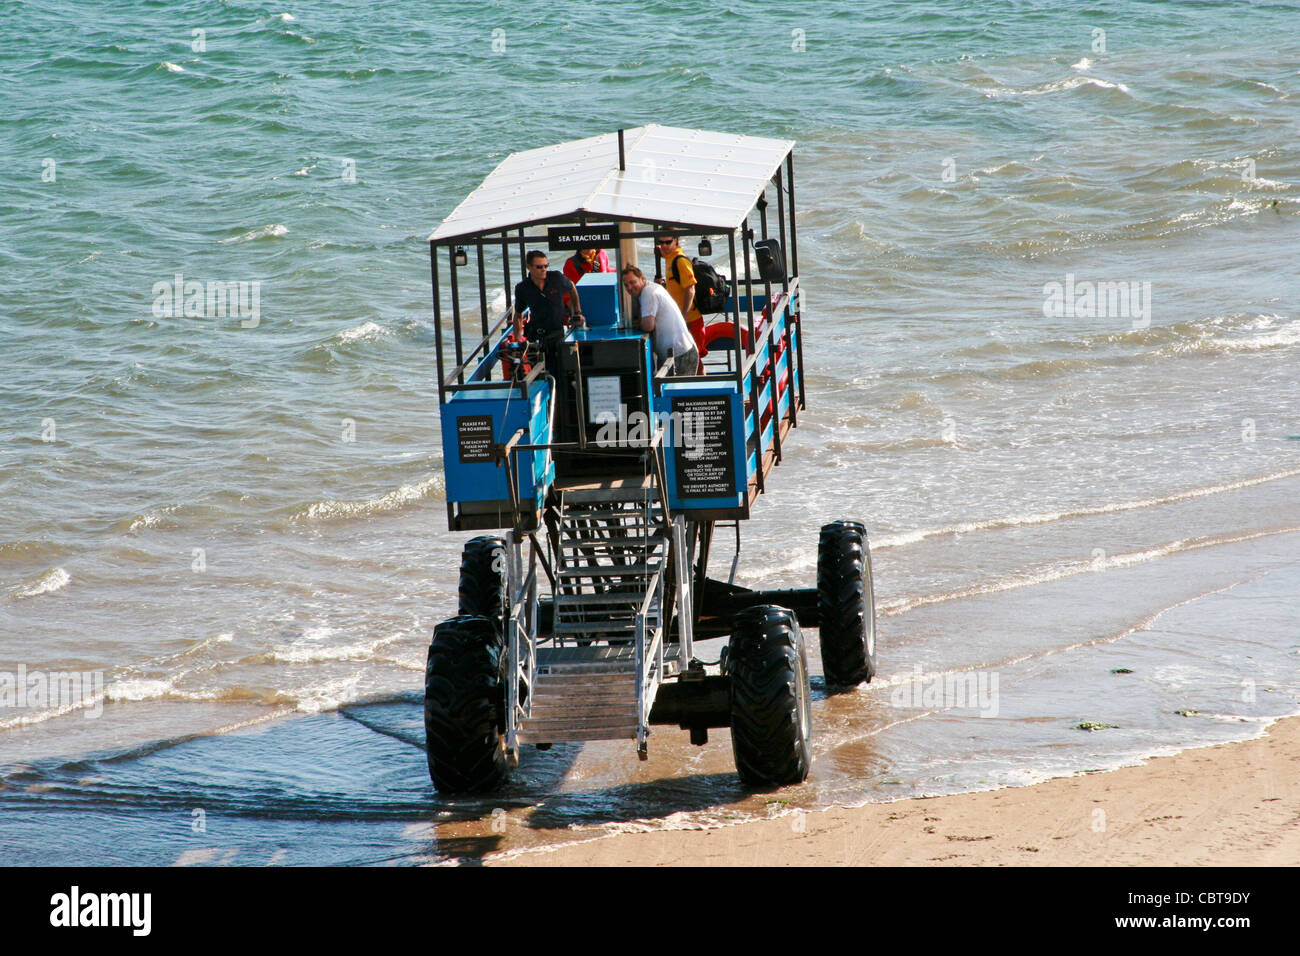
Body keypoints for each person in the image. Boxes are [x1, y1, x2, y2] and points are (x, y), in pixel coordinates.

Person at [621, 265, 698, 377]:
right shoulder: (652, 287)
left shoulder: (648, 293)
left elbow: (648, 326)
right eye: (626, 285)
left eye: (633, 282)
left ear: (642, 278)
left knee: (678, 394)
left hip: (679, 355)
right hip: (681, 351)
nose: (629, 287)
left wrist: (637, 324)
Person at [654, 231, 706, 372]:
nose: (664, 246)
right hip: (680, 321)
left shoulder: (680, 261)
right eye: (661, 242)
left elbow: (690, 290)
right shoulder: (669, 258)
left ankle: (703, 392)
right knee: (690, 360)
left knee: (696, 360)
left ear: (676, 240)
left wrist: (683, 316)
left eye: (667, 242)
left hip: (690, 320)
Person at [513, 250, 583, 344]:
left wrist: (577, 312)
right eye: (539, 267)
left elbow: (572, 287)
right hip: (535, 335)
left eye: (546, 266)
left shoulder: (557, 278)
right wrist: (517, 340)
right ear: (529, 267)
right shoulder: (522, 288)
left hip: (557, 333)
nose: (543, 269)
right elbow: (518, 315)